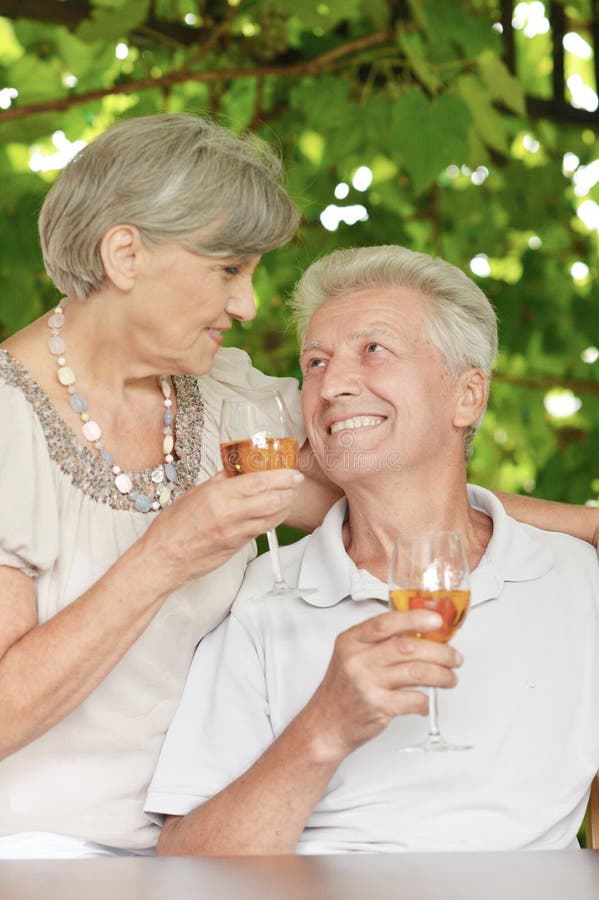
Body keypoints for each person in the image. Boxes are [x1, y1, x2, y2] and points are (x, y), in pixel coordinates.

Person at [147, 245, 599, 856]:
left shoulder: (577, 580)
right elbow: (186, 862)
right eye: (315, 361)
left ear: (467, 397)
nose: (332, 385)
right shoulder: (262, 596)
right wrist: (324, 730)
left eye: (374, 350)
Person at [0, 112, 342, 859]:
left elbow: (395, 493)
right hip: (34, 853)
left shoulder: (226, 397)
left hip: (207, 844)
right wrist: (164, 555)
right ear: (125, 254)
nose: (247, 306)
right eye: (228, 269)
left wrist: (583, 528)